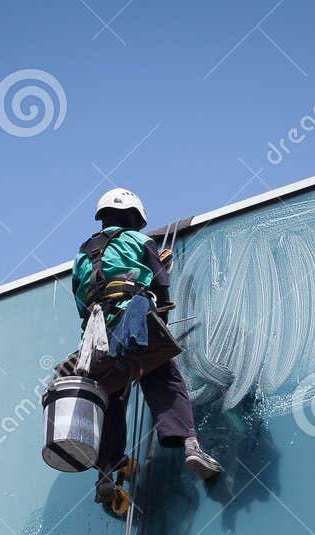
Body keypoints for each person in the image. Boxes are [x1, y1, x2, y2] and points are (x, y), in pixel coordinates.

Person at [66, 187, 220, 515]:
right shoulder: (139, 241)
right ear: (135, 218)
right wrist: (159, 323)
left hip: (96, 337)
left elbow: (80, 301)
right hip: (132, 320)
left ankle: (106, 473)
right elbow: (161, 284)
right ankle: (191, 446)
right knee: (164, 378)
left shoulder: (80, 254)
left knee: (111, 398)